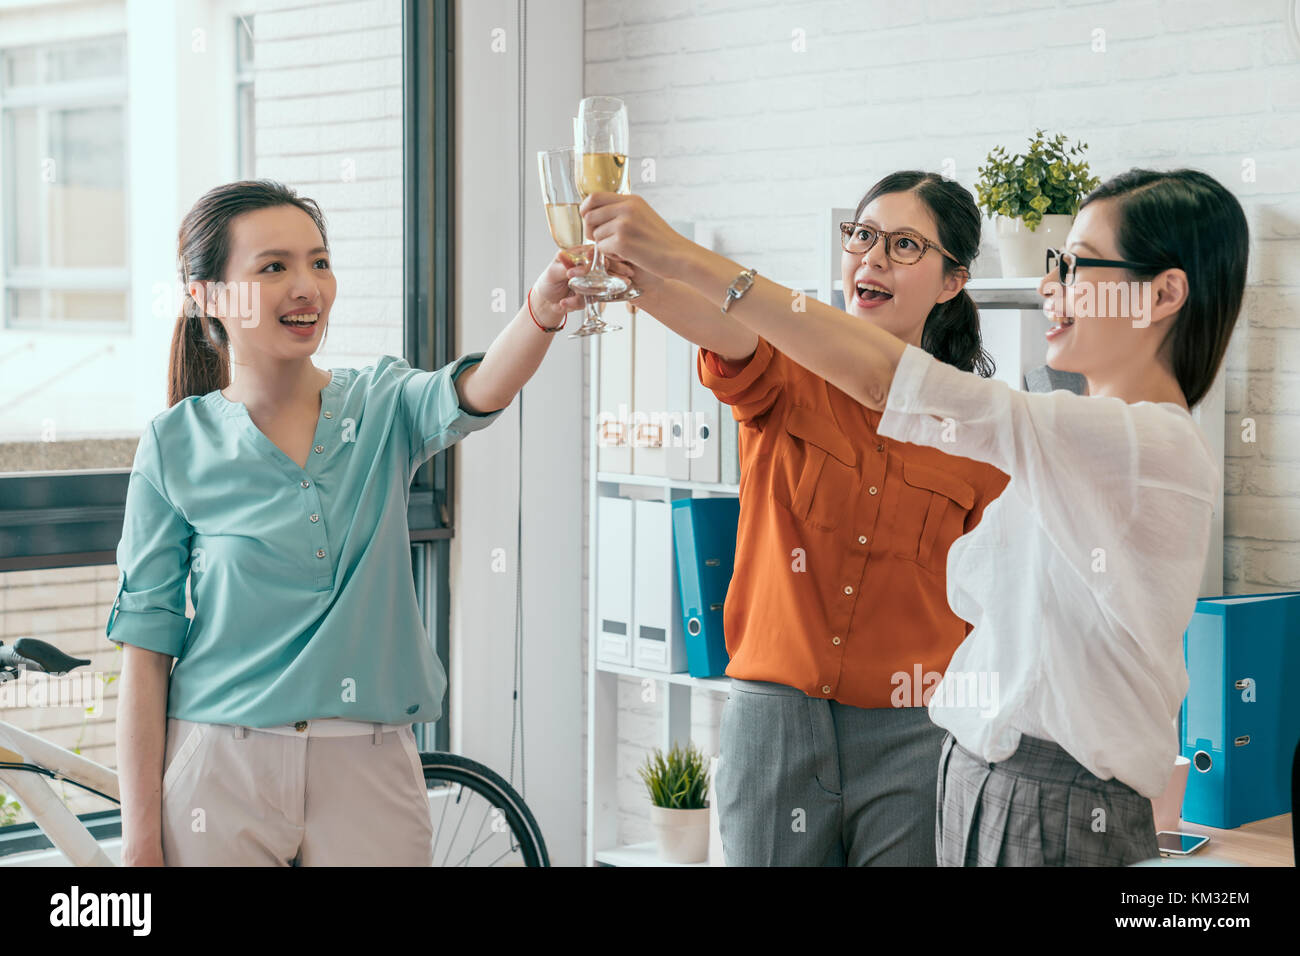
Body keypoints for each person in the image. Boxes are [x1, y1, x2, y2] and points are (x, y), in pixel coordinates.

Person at [585, 167, 1248, 866]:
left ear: (1164, 293)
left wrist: (675, 251)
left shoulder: (1128, 443)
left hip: (1008, 786)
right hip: (957, 775)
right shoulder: (1064, 442)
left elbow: (891, 382)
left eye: (1077, 264)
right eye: (863, 237)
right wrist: (643, 273)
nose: (1051, 285)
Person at [108, 179, 586, 866]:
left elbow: (478, 388)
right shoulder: (173, 444)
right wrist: (140, 839)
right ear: (208, 296)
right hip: (220, 766)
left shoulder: (382, 404)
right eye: (274, 266)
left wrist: (541, 310)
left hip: (368, 764)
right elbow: (146, 650)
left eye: (319, 261)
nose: (307, 286)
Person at [604, 172, 1009, 865]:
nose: (872, 259)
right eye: (862, 236)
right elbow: (714, 320)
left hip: (914, 735)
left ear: (952, 282)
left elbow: (994, 602)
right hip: (776, 722)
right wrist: (636, 272)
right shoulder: (787, 367)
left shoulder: (977, 426)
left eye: (906, 245)